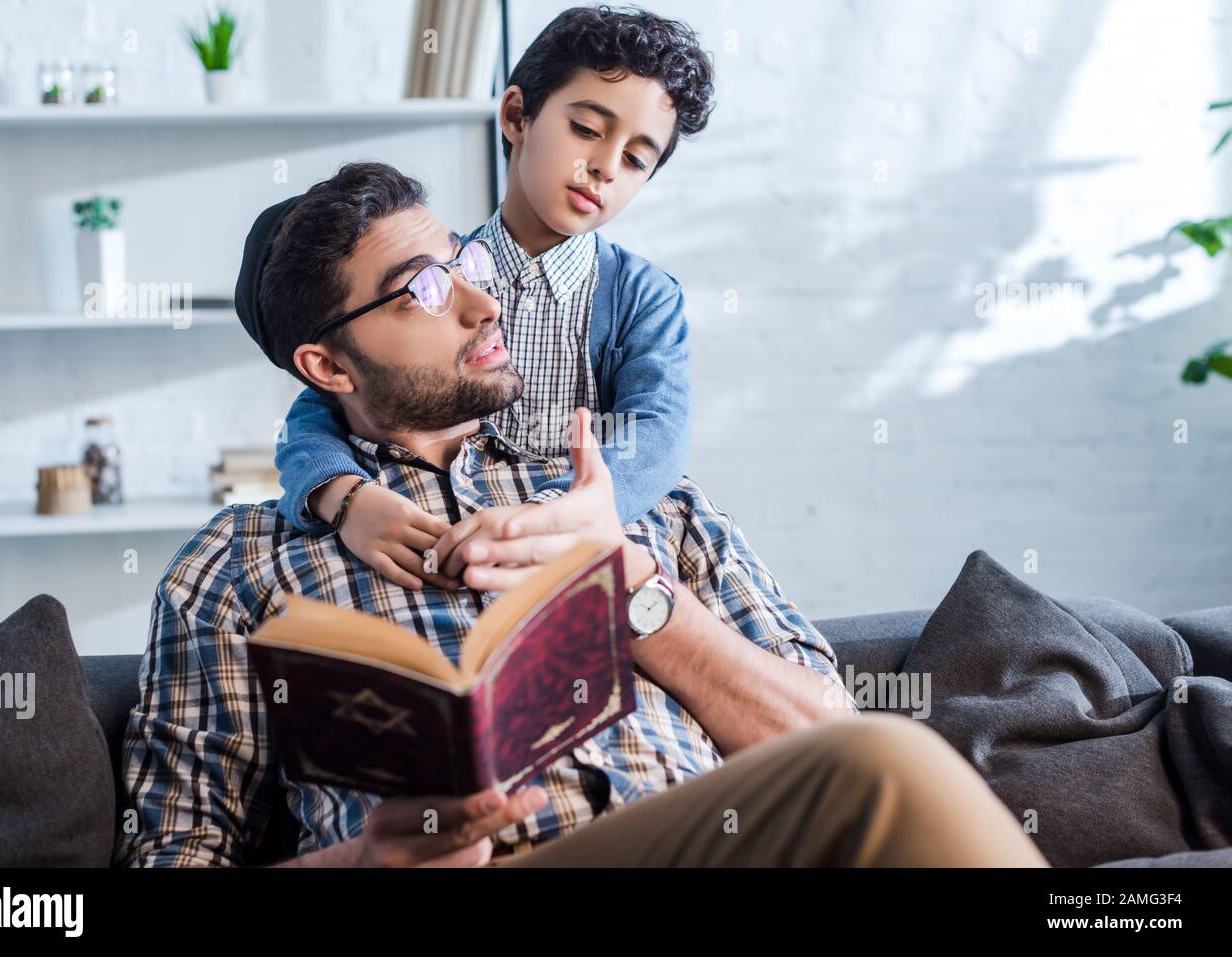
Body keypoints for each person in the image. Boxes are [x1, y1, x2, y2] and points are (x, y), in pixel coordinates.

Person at [116, 162, 1047, 868]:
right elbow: (171, 852)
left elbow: (831, 736)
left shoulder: (631, 497)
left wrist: (633, 586)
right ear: (327, 366)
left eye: (465, 263)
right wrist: (367, 860)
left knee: (884, 764)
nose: (483, 303)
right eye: (425, 289)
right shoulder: (239, 566)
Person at [268, 6, 710, 592]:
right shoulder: (435, 274)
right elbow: (320, 405)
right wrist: (343, 496)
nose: (604, 167)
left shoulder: (642, 298)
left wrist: (556, 514)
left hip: (570, 552)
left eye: (634, 160)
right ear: (517, 116)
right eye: (586, 130)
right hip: (443, 540)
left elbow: (657, 432)